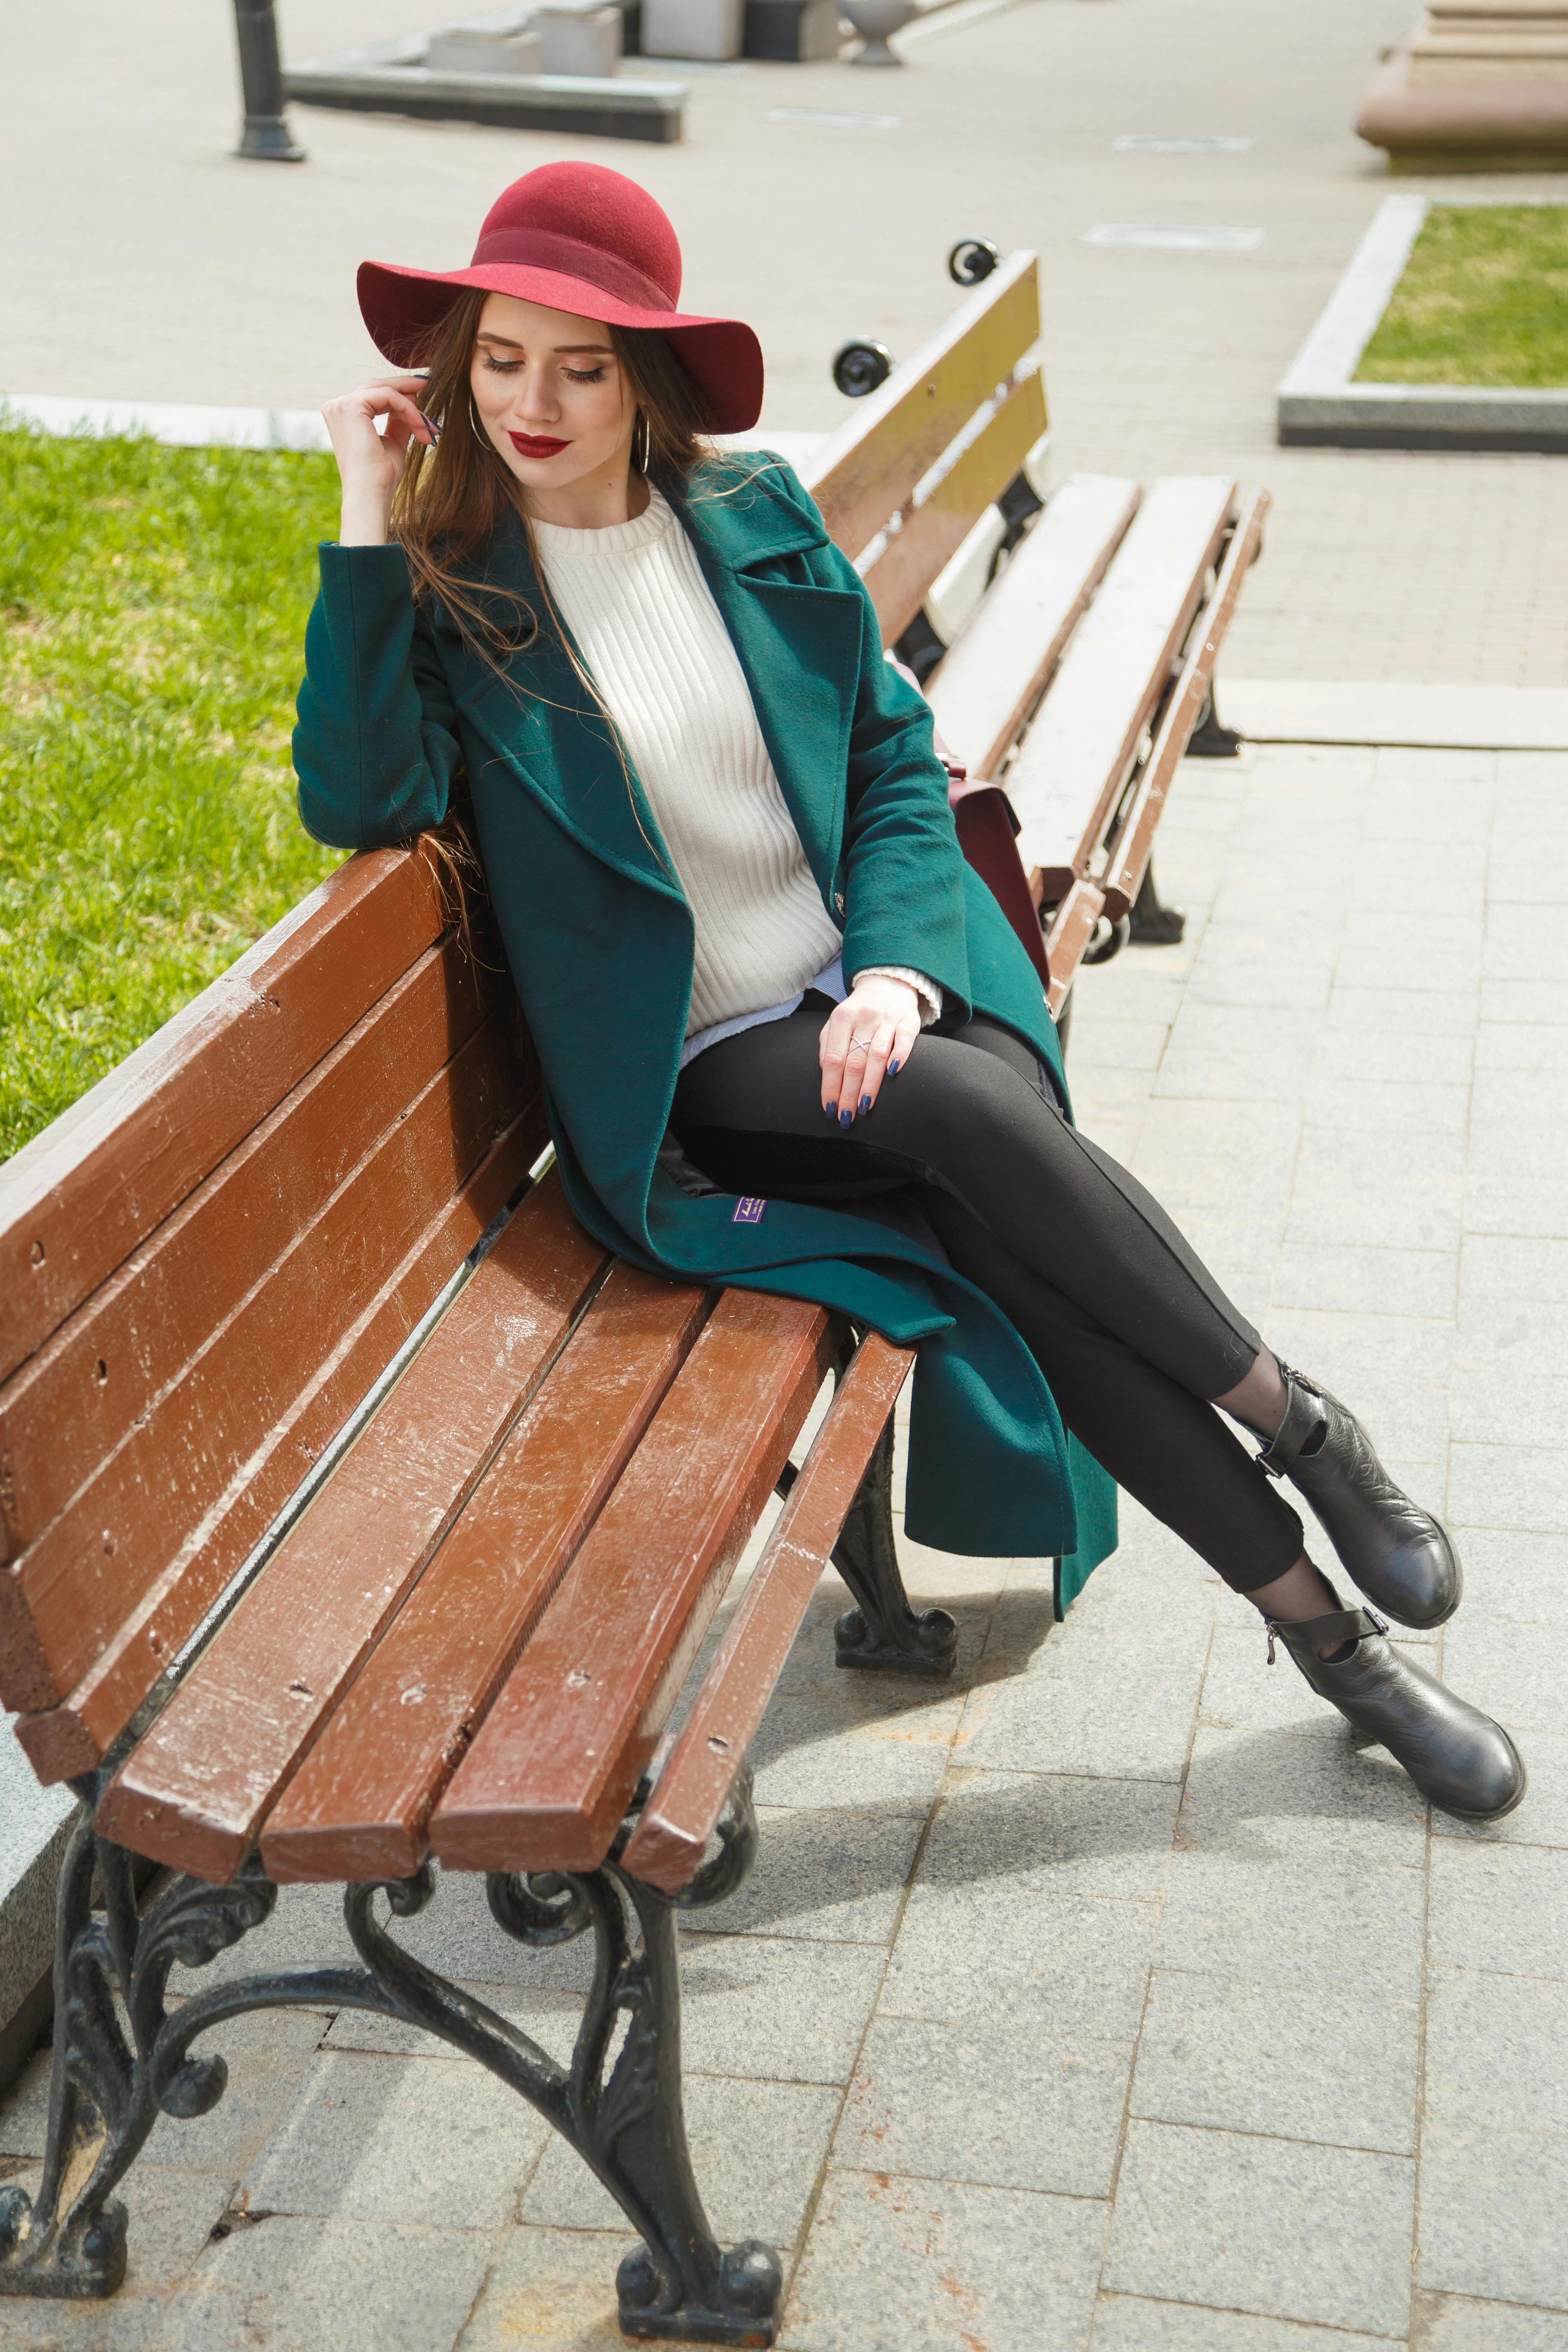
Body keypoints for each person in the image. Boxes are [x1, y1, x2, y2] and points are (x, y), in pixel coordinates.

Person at [294, 161, 1524, 1824]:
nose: (535, 403)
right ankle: (1304, 1426)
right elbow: (362, 798)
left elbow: (888, 755)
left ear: (646, 382)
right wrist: (367, 513)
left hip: (871, 975)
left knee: (1023, 1254)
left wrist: (890, 966)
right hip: (708, 1066)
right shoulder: (460, 594)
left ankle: (1337, 1645)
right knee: (961, 1114)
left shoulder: (749, 514)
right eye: (501, 360)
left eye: (582, 368)